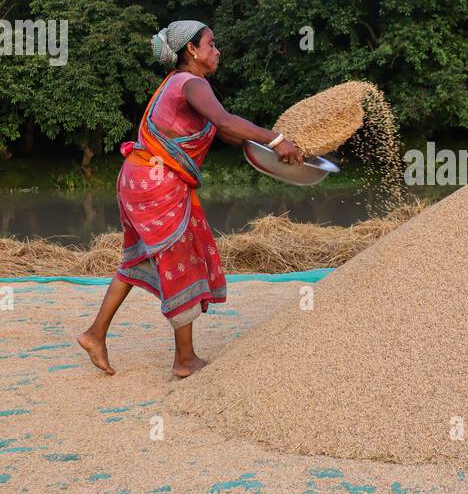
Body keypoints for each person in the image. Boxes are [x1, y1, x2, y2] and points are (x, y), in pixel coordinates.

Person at [77, 21, 302, 378]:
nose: (217, 51)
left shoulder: (180, 85)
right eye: (211, 44)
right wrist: (276, 139)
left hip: (141, 178)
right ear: (192, 51)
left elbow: (225, 131)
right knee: (179, 260)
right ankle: (184, 360)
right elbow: (224, 120)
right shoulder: (191, 84)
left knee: (138, 259)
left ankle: (94, 334)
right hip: (156, 184)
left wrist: (262, 146)